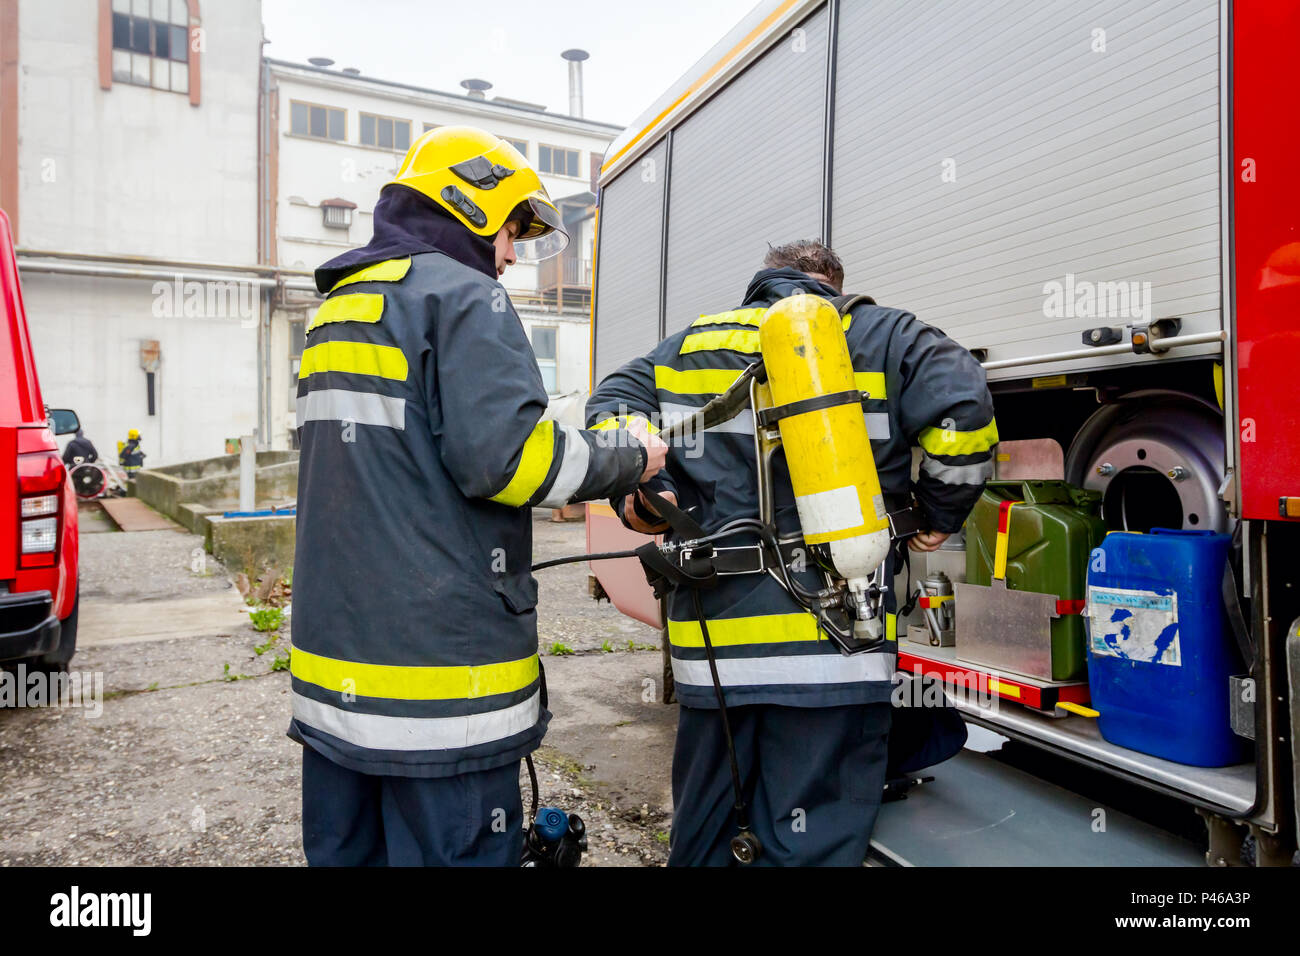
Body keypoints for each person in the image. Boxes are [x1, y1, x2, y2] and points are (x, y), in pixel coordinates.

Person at [288, 126, 666, 867]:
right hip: (440, 696)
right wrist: (631, 456)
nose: (511, 253)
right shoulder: (463, 298)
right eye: (509, 229)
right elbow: (509, 462)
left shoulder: (338, 308)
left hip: (337, 683)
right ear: (466, 202)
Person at [587, 240, 995, 865]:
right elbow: (965, 416)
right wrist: (937, 516)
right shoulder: (885, 333)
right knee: (808, 842)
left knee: (708, 835)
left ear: (761, 283)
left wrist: (645, 497)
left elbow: (609, 414)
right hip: (835, 649)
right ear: (832, 285)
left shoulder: (685, 348)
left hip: (713, 657)